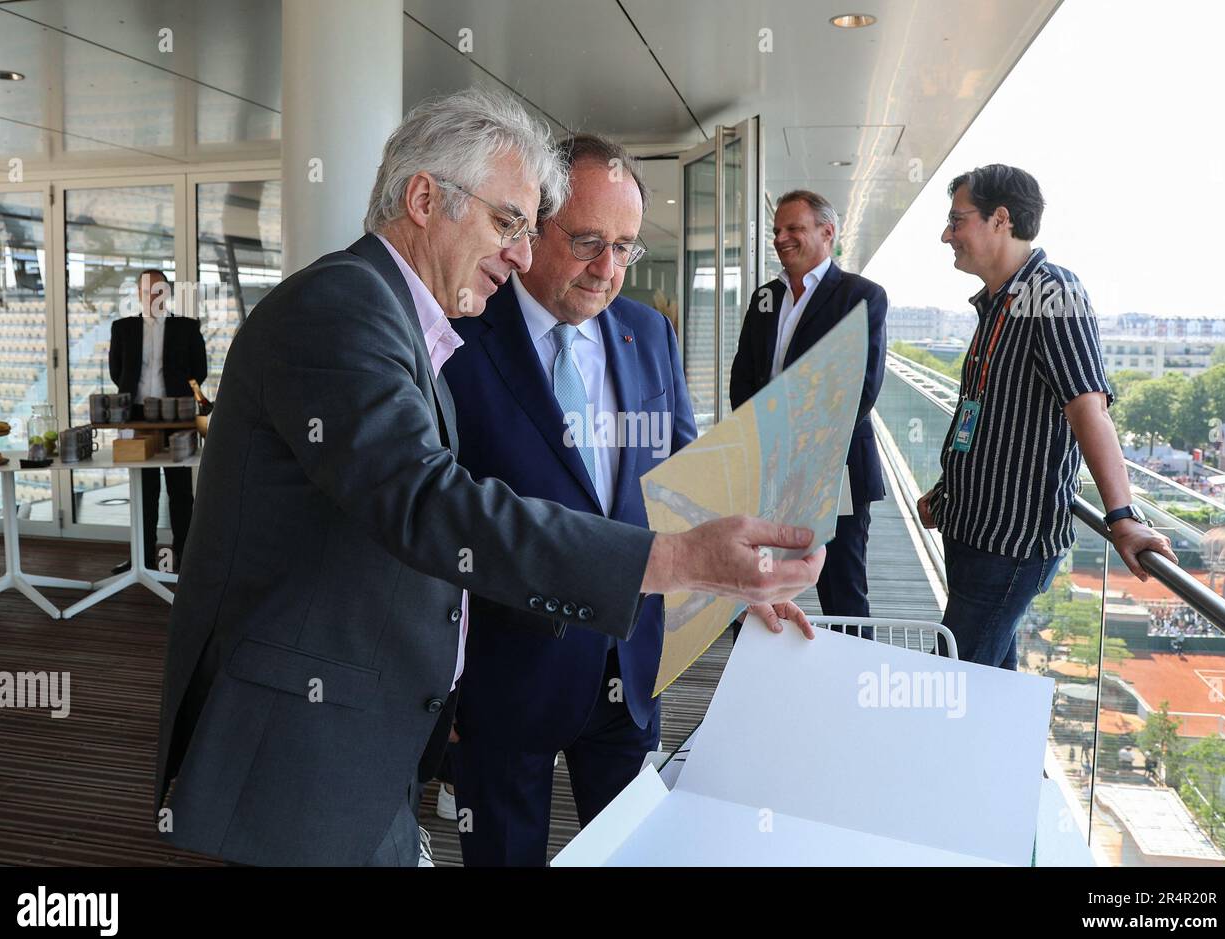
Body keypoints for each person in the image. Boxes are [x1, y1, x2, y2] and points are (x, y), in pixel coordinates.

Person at [154, 88, 824, 868]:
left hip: (376, 727)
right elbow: (428, 501)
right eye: (510, 222)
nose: (519, 249)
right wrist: (678, 561)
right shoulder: (341, 309)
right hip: (308, 746)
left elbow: (669, 480)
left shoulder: (405, 320)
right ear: (423, 198)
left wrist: (729, 582)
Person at [440, 133, 812, 866]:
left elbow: (683, 487)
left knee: (635, 853)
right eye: (587, 242)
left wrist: (734, 587)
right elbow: (434, 516)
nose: (608, 270)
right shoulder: (457, 337)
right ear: (532, 225)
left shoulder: (649, 333)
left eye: (625, 247)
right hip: (503, 676)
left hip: (627, 664)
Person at [917, 164, 1176, 669]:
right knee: (987, 682)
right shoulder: (1001, 300)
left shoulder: (1052, 293)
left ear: (1001, 219)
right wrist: (948, 493)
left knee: (948, 683)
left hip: (1008, 541)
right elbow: (989, 415)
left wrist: (1122, 517)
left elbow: (1088, 408)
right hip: (974, 529)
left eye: (957, 220)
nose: (946, 234)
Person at [729, 190, 887, 628]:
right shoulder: (765, 298)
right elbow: (744, 381)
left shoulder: (862, 296)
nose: (780, 238)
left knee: (843, 592)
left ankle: (848, 690)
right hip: (770, 465)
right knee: (759, 582)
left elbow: (862, 389)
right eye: (777, 230)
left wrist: (802, 446)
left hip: (835, 472)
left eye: (793, 228)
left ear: (827, 233)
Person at [108, 269, 207, 572]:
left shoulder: (187, 327)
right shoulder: (122, 328)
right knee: (143, 489)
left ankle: (184, 555)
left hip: (176, 417)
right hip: (137, 417)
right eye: (146, 290)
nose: (152, 295)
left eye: (158, 290)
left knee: (180, 490)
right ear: (138, 294)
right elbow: (117, 371)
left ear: (167, 292)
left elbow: (198, 371)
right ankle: (143, 557)